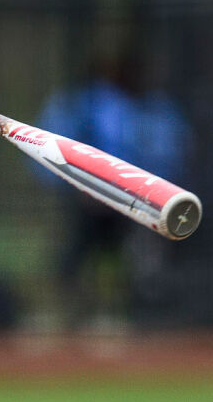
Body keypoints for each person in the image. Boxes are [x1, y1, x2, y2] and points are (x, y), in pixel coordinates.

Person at [37, 52, 190, 328]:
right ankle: (67, 313)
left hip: (134, 200)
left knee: (136, 259)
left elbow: (171, 157)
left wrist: (137, 192)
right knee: (74, 257)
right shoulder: (80, 103)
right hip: (83, 201)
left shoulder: (155, 109)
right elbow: (46, 155)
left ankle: (125, 313)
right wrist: (79, 188)